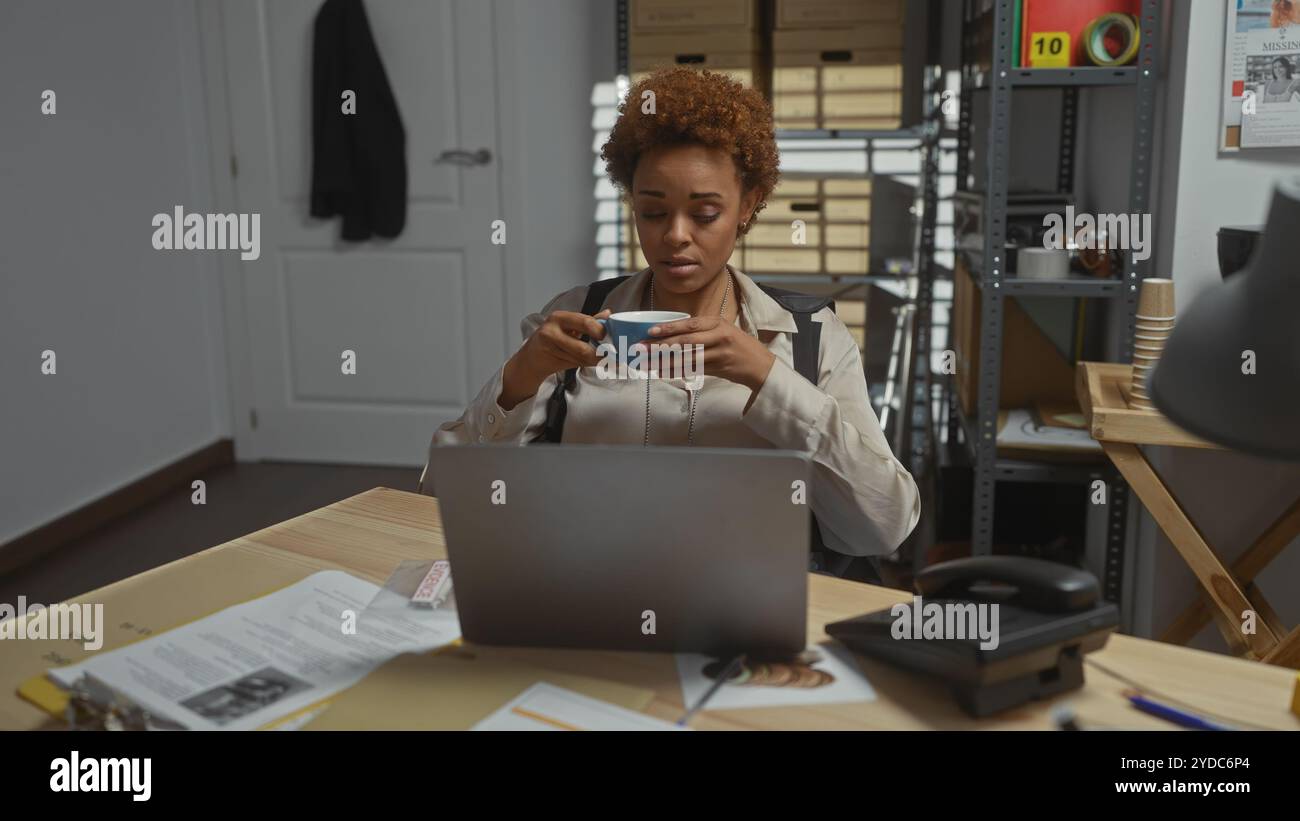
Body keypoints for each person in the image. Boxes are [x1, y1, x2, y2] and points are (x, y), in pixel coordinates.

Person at [424, 67, 920, 562]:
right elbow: (443, 500)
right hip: (589, 580)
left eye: (705, 214)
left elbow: (882, 529)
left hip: (748, 601)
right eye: (653, 213)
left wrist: (768, 379)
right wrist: (519, 379)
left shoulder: (809, 337)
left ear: (747, 205)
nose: (676, 235)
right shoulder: (577, 315)